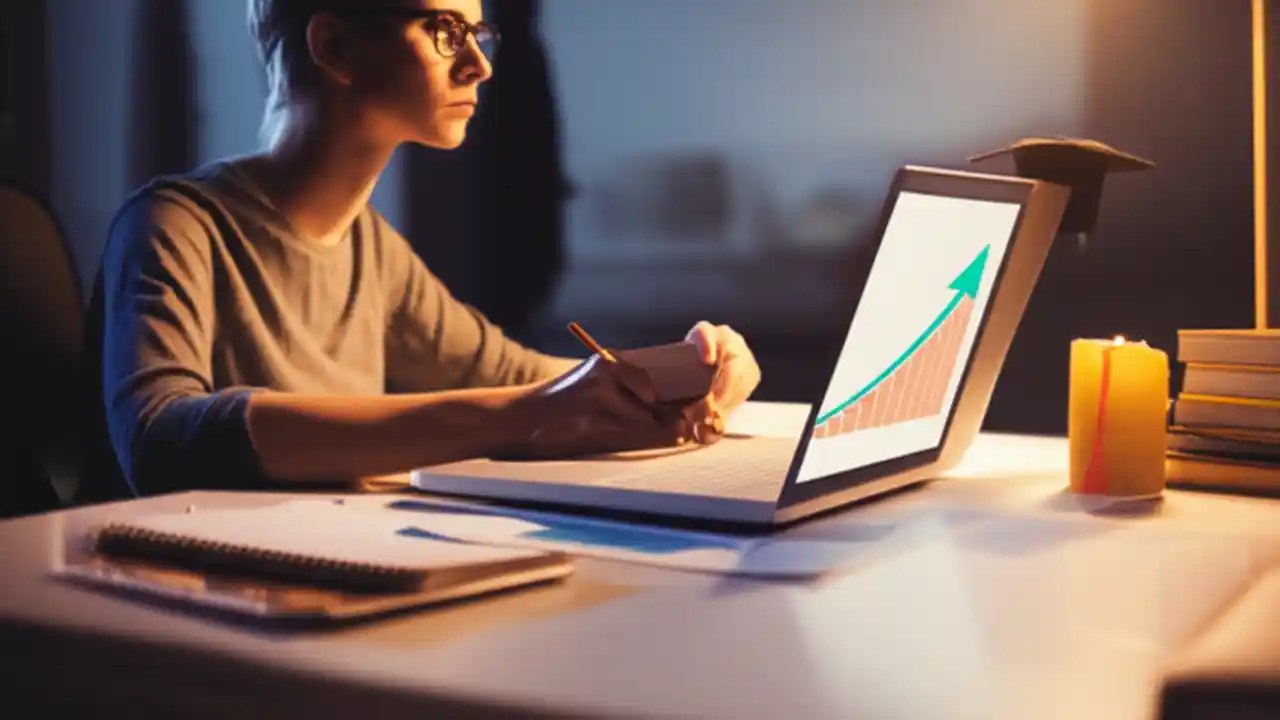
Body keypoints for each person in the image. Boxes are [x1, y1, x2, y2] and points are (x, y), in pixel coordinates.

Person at [77, 0, 761, 501]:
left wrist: (682, 375)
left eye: (478, 31)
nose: (481, 64)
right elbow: (161, 441)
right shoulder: (173, 226)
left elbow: (514, 373)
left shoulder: (371, 250)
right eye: (446, 31)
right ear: (336, 47)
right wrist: (527, 416)